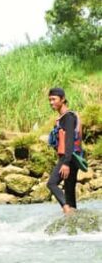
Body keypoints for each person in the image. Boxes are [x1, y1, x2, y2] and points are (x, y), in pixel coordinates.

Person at [47, 87, 84, 215]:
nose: (51, 102)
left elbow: (69, 141)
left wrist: (66, 163)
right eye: (49, 100)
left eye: (54, 99)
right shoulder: (64, 117)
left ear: (62, 99)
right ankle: (74, 219)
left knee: (52, 183)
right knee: (69, 190)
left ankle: (66, 209)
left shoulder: (68, 117)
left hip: (68, 157)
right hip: (72, 158)